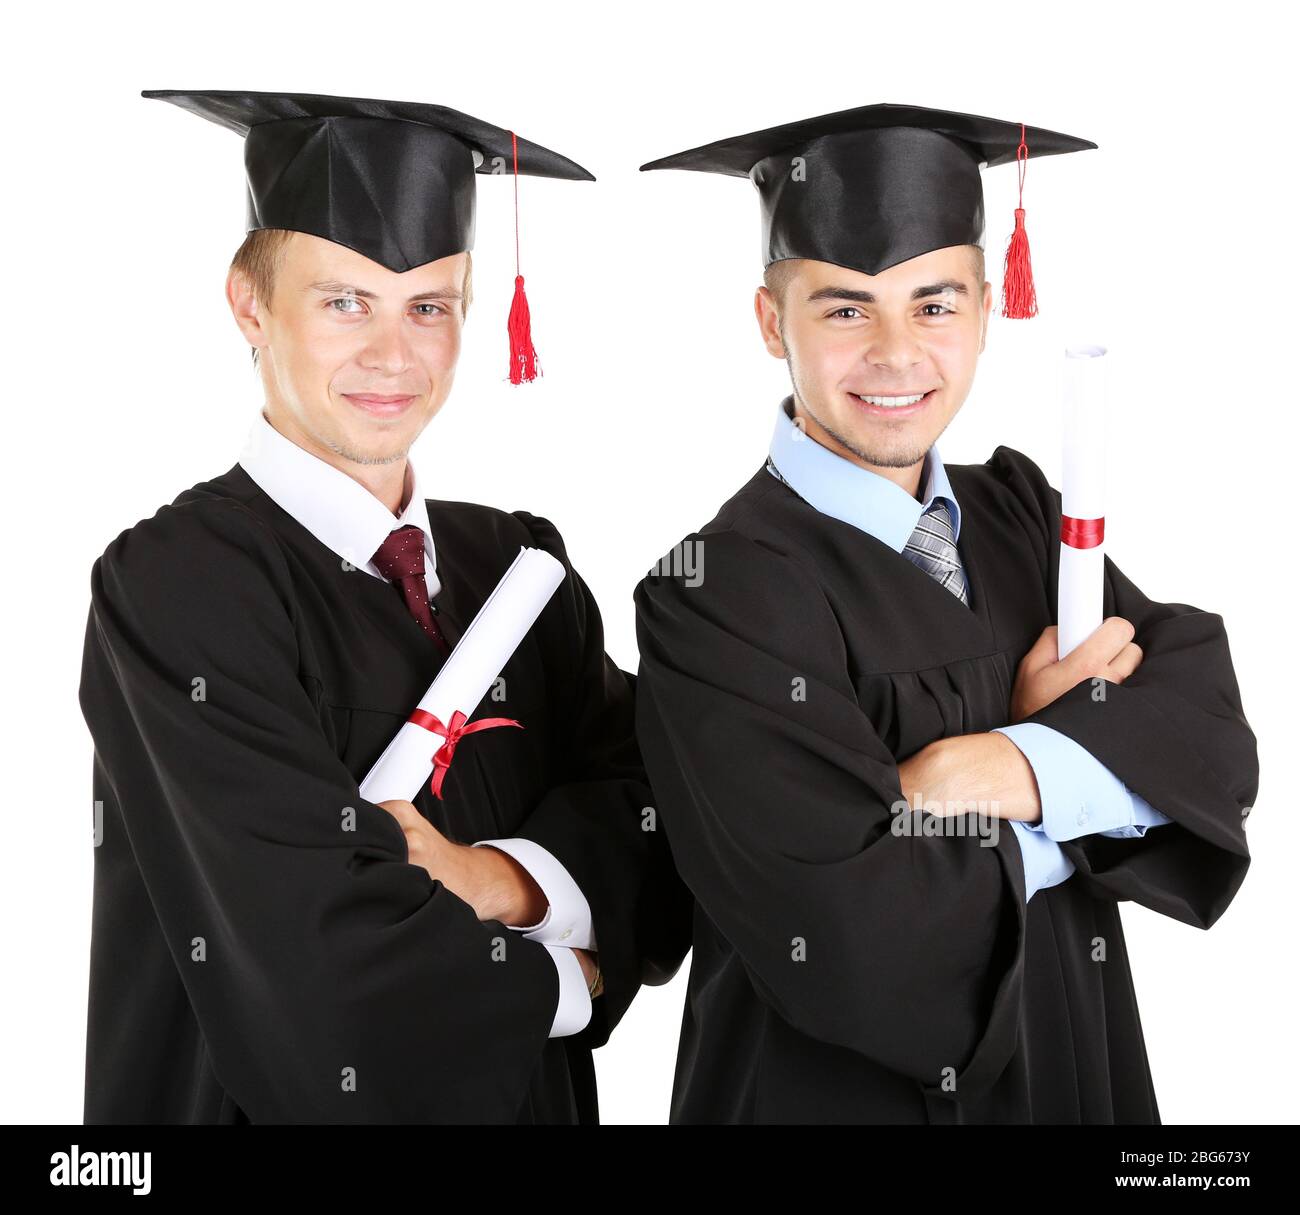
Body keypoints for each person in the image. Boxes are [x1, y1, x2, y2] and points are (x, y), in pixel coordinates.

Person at [633, 102, 1258, 1123]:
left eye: (933, 304)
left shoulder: (1018, 511)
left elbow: (1210, 742)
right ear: (768, 322)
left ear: (982, 306)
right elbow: (844, 926)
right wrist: (1084, 790)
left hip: (1071, 1059)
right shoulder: (712, 592)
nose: (894, 353)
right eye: (842, 309)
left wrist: (1004, 769)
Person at [79, 89, 689, 1124]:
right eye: (344, 302)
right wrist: (569, 982)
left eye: (429, 306)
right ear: (248, 304)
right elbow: (313, 956)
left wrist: (500, 878)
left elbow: (661, 812)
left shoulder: (516, 569)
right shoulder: (178, 588)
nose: (393, 356)